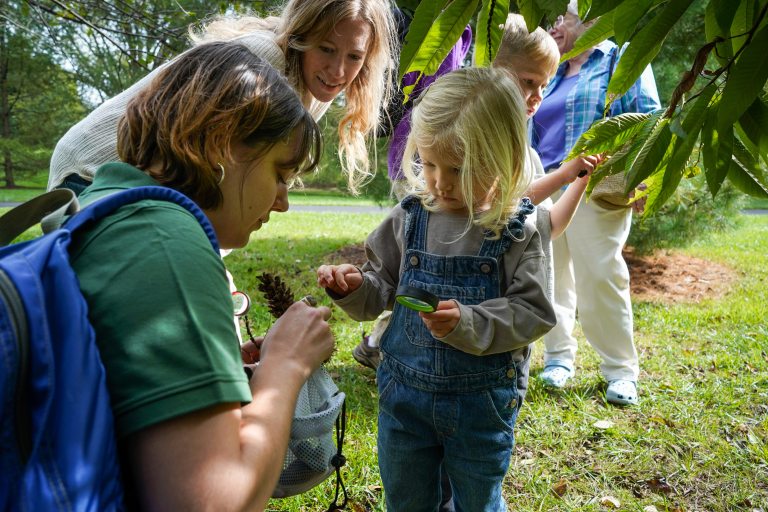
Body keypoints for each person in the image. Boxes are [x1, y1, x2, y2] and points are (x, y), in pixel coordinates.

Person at [68, 41, 335, 510]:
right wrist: (286, 365)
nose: (282, 201)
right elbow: (216, 501)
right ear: (223, 145)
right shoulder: (165, 241)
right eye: (279, 173)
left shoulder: (105, 208)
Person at [317, 67, 556, 511]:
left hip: (481, 407)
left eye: (459, 169)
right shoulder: (409, 219)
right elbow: (380, 290)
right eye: (428, 164)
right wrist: (352, 287)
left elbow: (533, 310)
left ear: (502, 157)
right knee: (407, 498)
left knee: (477, 501)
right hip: (405, 402)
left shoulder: (519, 229)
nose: (440, 182)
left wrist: (470, 322)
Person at [48, 0, 397, 194]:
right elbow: (214, 171)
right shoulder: (265, 62)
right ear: (301, 37)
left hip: (146, 181)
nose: (338, 71)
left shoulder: (314, 84)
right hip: (94, 171)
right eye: (326, 48)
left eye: (354, 57)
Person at [531, 0, 661, 405]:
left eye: (561, 19)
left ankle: (621, 370)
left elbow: (650, 119)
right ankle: (557, 358)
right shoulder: (550, 72)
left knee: (601, 274)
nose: (552, 26)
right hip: (546, 181)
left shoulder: (620, 59)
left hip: (595, 183)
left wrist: (644, 180)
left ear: (587, 21)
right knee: (549, 275)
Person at [352, 20, 473, 371]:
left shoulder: (461, 26)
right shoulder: (433, 24)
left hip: (432, 153)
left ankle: (381, 341)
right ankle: (385, 342)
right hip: (419, 155)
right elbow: (382, 276)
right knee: (419, 259)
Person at [492, 12, 604, 301]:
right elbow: (500, 203)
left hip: (509, 300)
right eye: (529, 81)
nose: (537, 95)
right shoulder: (480, 142)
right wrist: (564, 174)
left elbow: (550, 224)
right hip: (476, 293)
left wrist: (581, 178)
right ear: (492, 70)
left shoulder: (528, 156)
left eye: (544, 85)